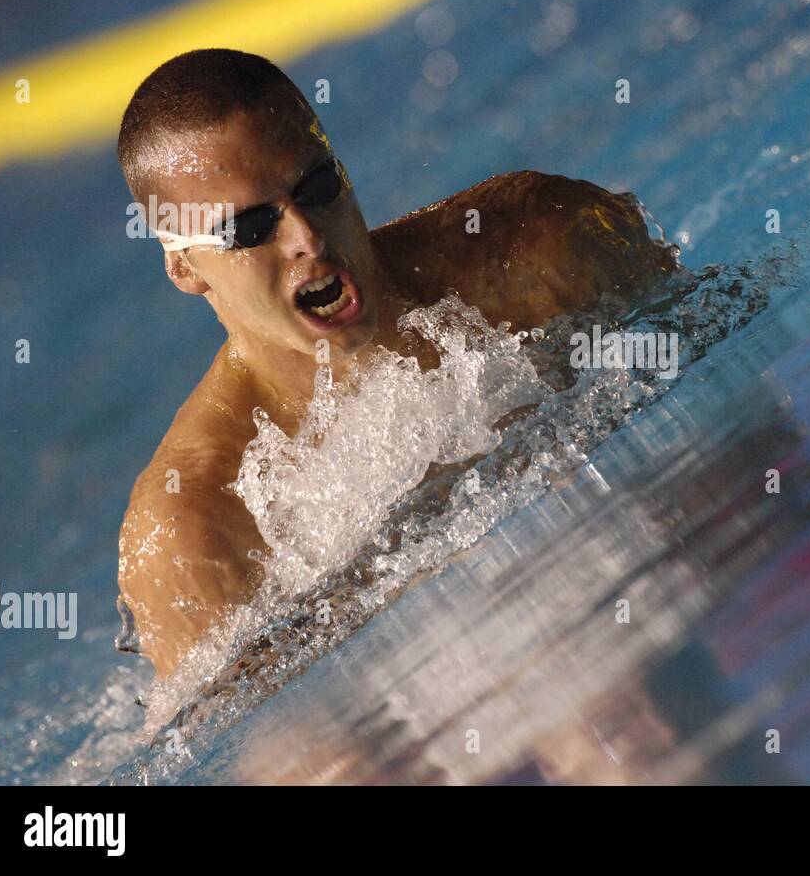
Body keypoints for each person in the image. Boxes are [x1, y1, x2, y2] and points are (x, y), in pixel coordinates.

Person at [115, 49, 677, 678]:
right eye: (248, 229)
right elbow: (268, 756)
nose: (306, 236)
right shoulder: (191, 526)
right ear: (184, 265)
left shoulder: (539, 246)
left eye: (317, 188)